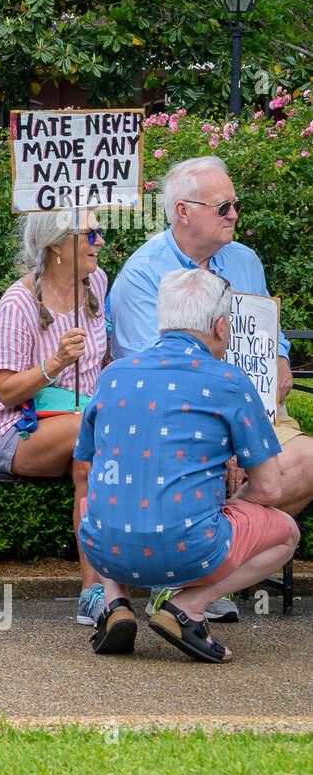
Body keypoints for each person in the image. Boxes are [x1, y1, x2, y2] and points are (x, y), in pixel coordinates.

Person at [108, 155, 313, 621]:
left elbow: (266, 334)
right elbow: (152, 378)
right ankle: (196, 570)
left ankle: (195, 583)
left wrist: (279, 359)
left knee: (305, 462)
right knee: (211, 469)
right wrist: (224, 443)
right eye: (224, 207)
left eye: (235, 205)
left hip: (252, 413)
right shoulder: (143, 275)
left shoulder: (244, 259)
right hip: (176, 426)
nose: (235, 215)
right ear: (184, 211)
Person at [80, 268, 298, 663]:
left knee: (100, 498)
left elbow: (88, 462)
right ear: (219, 326)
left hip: (105, 549)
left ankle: (115, 603)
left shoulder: (112, 375)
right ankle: (187, 608)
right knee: (286, 533)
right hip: (188, 550)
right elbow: (270, 490)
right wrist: (228, 507)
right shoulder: (230, 381)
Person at [0, 209, 109, 625]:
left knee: (90, 458)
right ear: (56, 245)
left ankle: (99, 590)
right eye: (91, 233)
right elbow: (8, 391)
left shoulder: (97, 285)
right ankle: (103, 589)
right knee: (93, 435)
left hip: (80, 424)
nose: (100, 241)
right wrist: (55, 363)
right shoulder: (19, 303)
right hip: (17, 431)